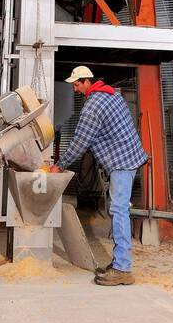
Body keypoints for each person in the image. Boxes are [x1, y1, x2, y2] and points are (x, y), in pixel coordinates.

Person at [54, 65, 147, 286]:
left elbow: (80, 142)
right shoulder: (111, 94)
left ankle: (123, 269)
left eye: (77, 84)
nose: (75, 89)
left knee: (118, 210)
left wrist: (60, 165)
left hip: (122, 162)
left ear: (87, 81)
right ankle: (119, 263)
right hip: (128, 157)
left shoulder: (93, 106)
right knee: (119, 208)